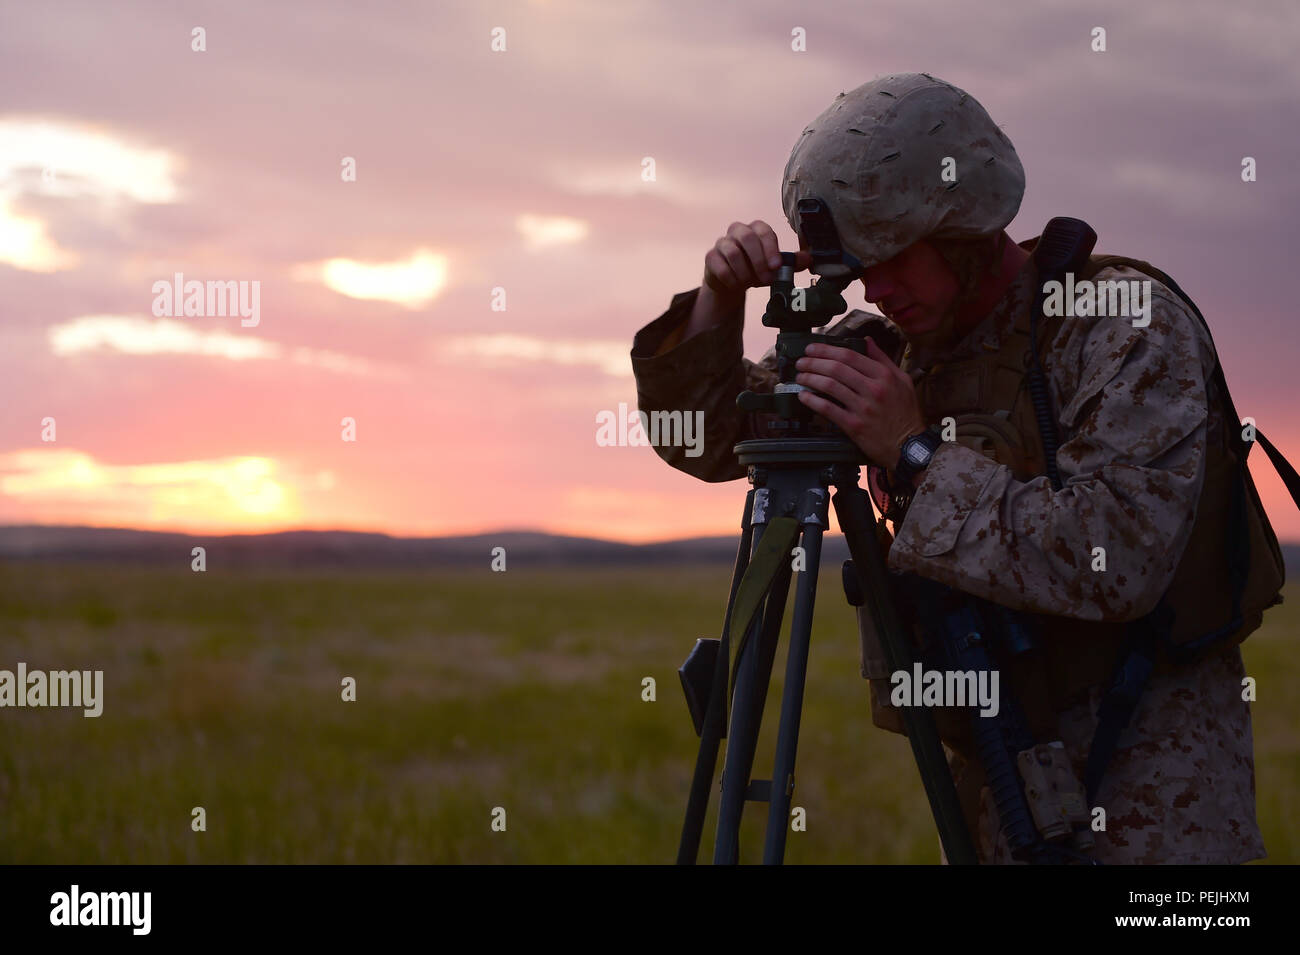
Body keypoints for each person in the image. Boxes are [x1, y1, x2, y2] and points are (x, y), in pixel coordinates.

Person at [630, 72, 1280, 864]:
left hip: (1153, 796)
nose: (877, 286)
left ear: (967, 227)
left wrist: (912, 454)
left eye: (896, 259)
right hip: (993, 787)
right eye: (863, 267)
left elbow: (1119, 556)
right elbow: (703, 434)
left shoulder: (1118, 327)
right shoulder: (891, 351)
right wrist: (715, 302)